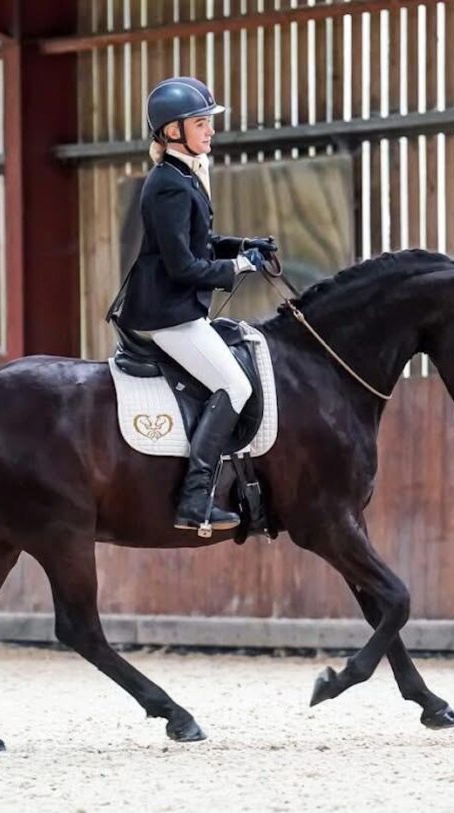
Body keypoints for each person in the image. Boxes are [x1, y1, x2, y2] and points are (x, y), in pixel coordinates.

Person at [109, 76, 278, 532]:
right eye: (201, 123)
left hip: (178, 307)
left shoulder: (184, 176)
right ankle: (194, 498)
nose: (210, 131)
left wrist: (245, 245)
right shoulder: (168, 184)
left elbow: (200, 241)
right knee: (237, 387)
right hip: (168, 313)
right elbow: (184, 266)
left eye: (208, 123)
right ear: (171, 132)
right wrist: (238, 267)